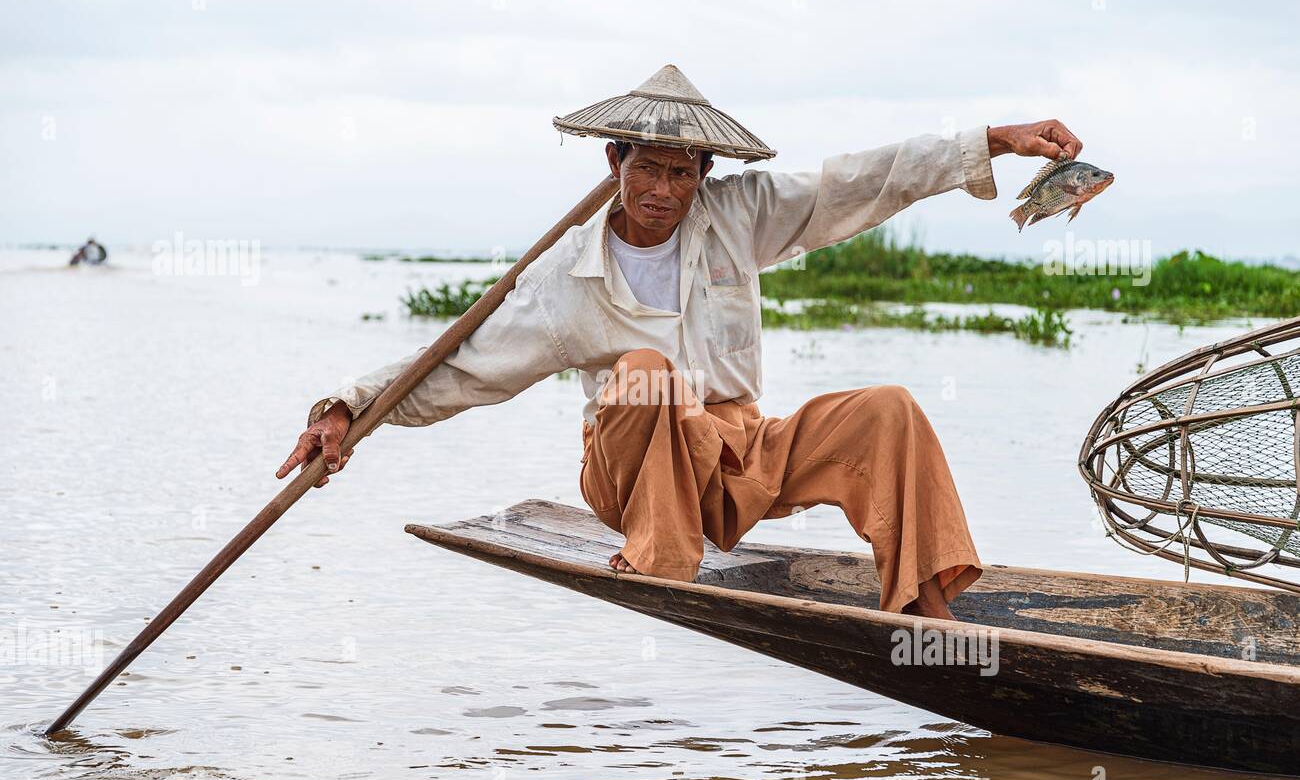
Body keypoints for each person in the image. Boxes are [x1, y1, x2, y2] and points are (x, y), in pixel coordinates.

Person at [277, 65, 1082, 619]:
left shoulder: (737, 214)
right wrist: (348, 408)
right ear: (614, 161)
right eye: (647, 170)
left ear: (703, 168)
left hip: (730, 459)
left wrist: (994, 141)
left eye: (681, 172)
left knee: (888, 411)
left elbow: (859, 182)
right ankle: (660, 555)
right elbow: (461, 367)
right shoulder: (570, 275)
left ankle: (921, 604)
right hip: (630, 479)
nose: (663, 192)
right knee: (644, 372)